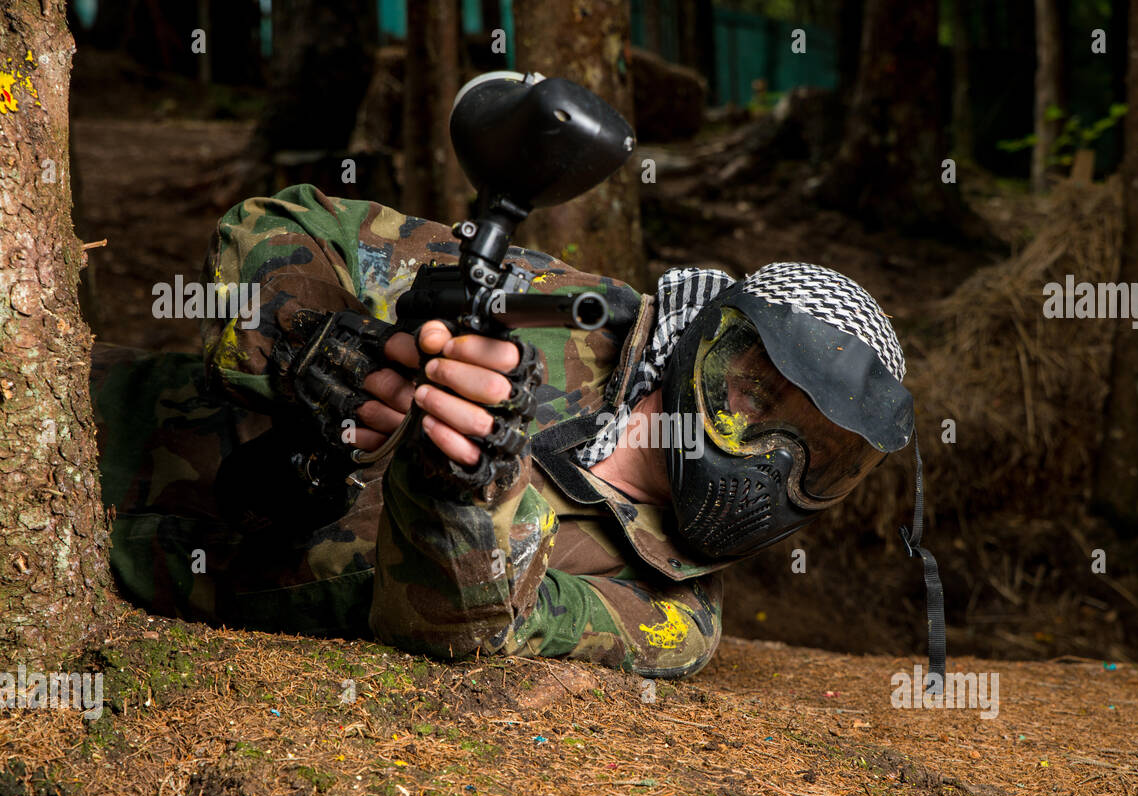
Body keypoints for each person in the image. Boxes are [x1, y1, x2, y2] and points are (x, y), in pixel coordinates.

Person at [91, 183, 943, 680]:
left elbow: (468, 630)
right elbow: (279, 224)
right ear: (703, 348)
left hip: (115, 587)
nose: (770, 459)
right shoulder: (546, 302)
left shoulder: (672, 617)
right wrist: (310, 347)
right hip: (82, 427)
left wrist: (469, 483)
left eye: (817, 459)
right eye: (757, 396)